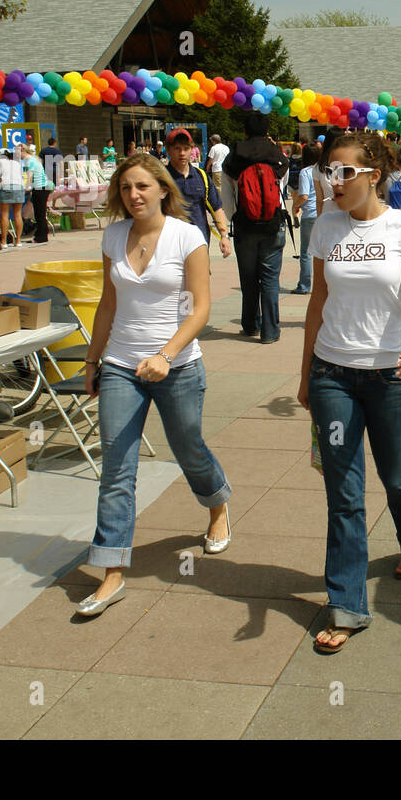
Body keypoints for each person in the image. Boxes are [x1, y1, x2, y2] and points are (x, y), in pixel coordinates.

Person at [296, 130, 401, 654]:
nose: (334, 181)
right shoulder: (325, 227)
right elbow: (318, 301)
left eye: (345, 172)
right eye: (329, 171)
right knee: (344, 492)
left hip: (392, 377)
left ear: (373, 175)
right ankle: (347, 604)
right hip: (334, 375)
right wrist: (306, 370)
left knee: (397, 477)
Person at [76, 153, 232, 617]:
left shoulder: (187, 236)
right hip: (122, 364)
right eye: (126, 188)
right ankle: (111, 572)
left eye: (142, 186)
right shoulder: (113, 235)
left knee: (189, 448)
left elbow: (201, 308)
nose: (134, 196)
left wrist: (166, 356)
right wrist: (93, 357)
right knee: (117, 468)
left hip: (177, 365)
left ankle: (218, 505)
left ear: (164, 189)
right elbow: (108, 301)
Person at [221, 115, 289, 341]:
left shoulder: (233, 160)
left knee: (249, 278)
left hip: (245, 227)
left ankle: (251, 325)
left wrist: (238, 217)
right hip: (272, 225)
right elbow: (281, 192)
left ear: (245, 131)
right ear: (267, 131)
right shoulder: (278, 158)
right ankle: (270, 331)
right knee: (270, 279)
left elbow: (228, 201)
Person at [164, 128, 232, 257]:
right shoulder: (161, 178)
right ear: (168, 150)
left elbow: (216, 208)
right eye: (177, 148)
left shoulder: (202, 177)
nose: (182, 153)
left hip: (198, 244)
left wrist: (224, 236)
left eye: (186, 148)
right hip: (169, 247)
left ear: (192, 149)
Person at [289, 145, 320, 294]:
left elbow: (304, 196)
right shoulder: (324, 171)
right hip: (324, 214)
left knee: (306, 253)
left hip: (310, 215)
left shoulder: (305, 172)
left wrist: (295, 206)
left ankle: (304, 285)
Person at [0, 150, 26, 247]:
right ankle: (18, 241)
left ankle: (4, 242)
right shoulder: (16, 163)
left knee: (4, 214)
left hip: (6, 187)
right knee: (18, 214)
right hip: (19, 187)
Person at [20, 143, 54, 244]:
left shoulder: (29, 161)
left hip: (39, 188)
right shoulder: (34, 159)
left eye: (18, 153)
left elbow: (29, 176)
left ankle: (41, 237)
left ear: (23, 151)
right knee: (41, 214)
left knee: (39, 214)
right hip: (43, 187)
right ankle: (43, 234)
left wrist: (26, 188)